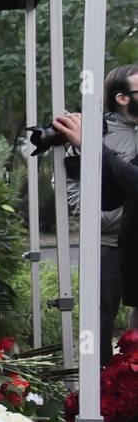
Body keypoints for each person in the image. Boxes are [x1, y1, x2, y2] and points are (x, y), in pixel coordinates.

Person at [56, 63, 138, 364]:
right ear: (122, 97)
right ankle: (102, 385)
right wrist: (98, 220)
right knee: (101, 316)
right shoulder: (94, 131)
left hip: (134, 242)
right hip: (107, 242)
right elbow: (71, 181)